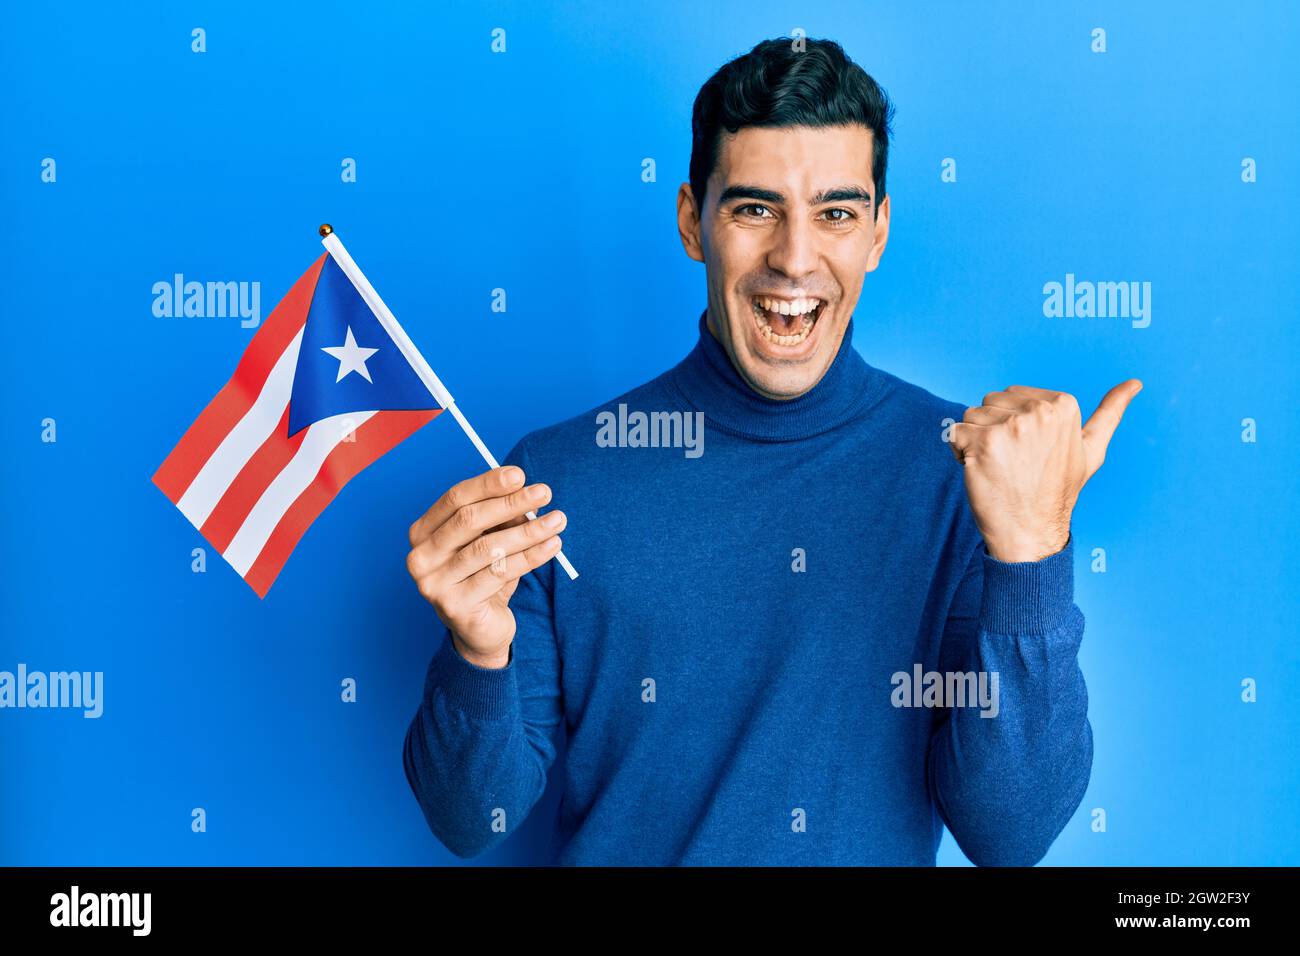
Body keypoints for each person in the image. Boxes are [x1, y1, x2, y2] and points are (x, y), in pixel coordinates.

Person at [401, 36, 1140, 866]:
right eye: (755, 209)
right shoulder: (555, 480)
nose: (794, 258)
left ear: (878, 233)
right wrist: (477, 655)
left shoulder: (962, 476)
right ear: (692, 221)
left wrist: (1031, 555)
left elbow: (1011, 832)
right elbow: (473, 821)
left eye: (835, 213)